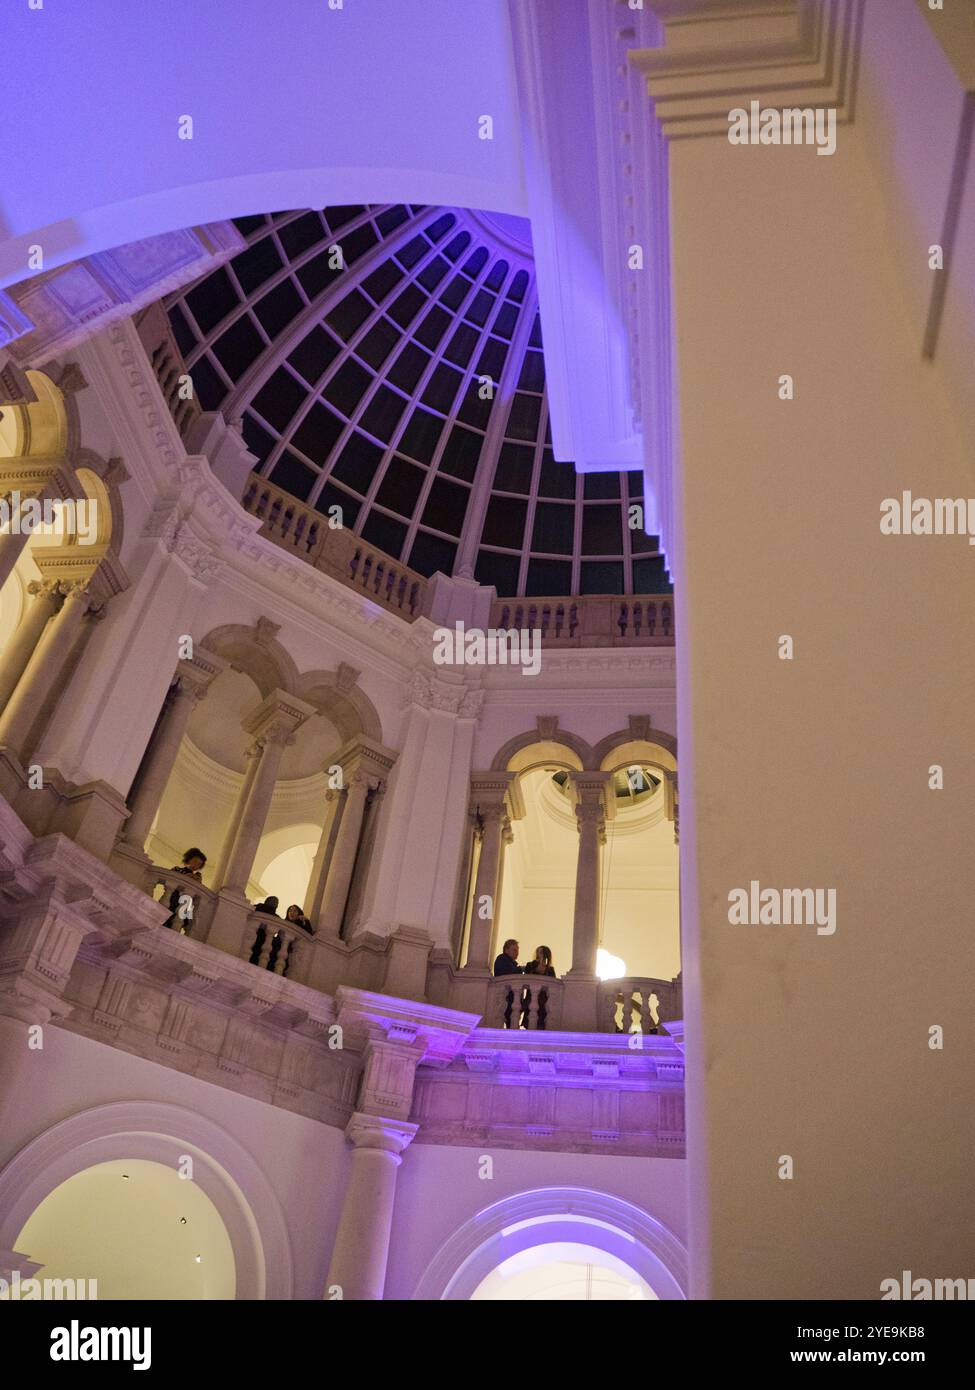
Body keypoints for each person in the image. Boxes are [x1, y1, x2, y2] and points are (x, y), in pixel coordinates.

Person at [162, 848, 207, 932]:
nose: (196, 865)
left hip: (186, 902)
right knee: (167, 915)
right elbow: (168, 881)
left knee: (181, 919)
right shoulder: (177, 869)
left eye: (199, 864)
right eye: (195, 861)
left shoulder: (197, 875)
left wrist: (197, 878)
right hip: (174, 898)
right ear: (189, 859)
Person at [493, 939, 524, 1028]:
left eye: (517, 950)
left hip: (513, 1000)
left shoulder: (512, 963)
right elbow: (506, 975)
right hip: (507, 999)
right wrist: (520, 969)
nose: (517, 952)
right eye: (514, 950)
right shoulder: (502, 959)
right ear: (506, 950)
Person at [523, 945, 556, 1029]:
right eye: (538, 951)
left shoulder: (550, 969)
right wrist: (537, 968)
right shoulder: (530, 965)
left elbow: (553, 985)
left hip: (544, 1001)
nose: (539, 954)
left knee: (542, 1024)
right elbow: (527, 978)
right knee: (529, 1023)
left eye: (542, 952)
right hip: (531, 998)